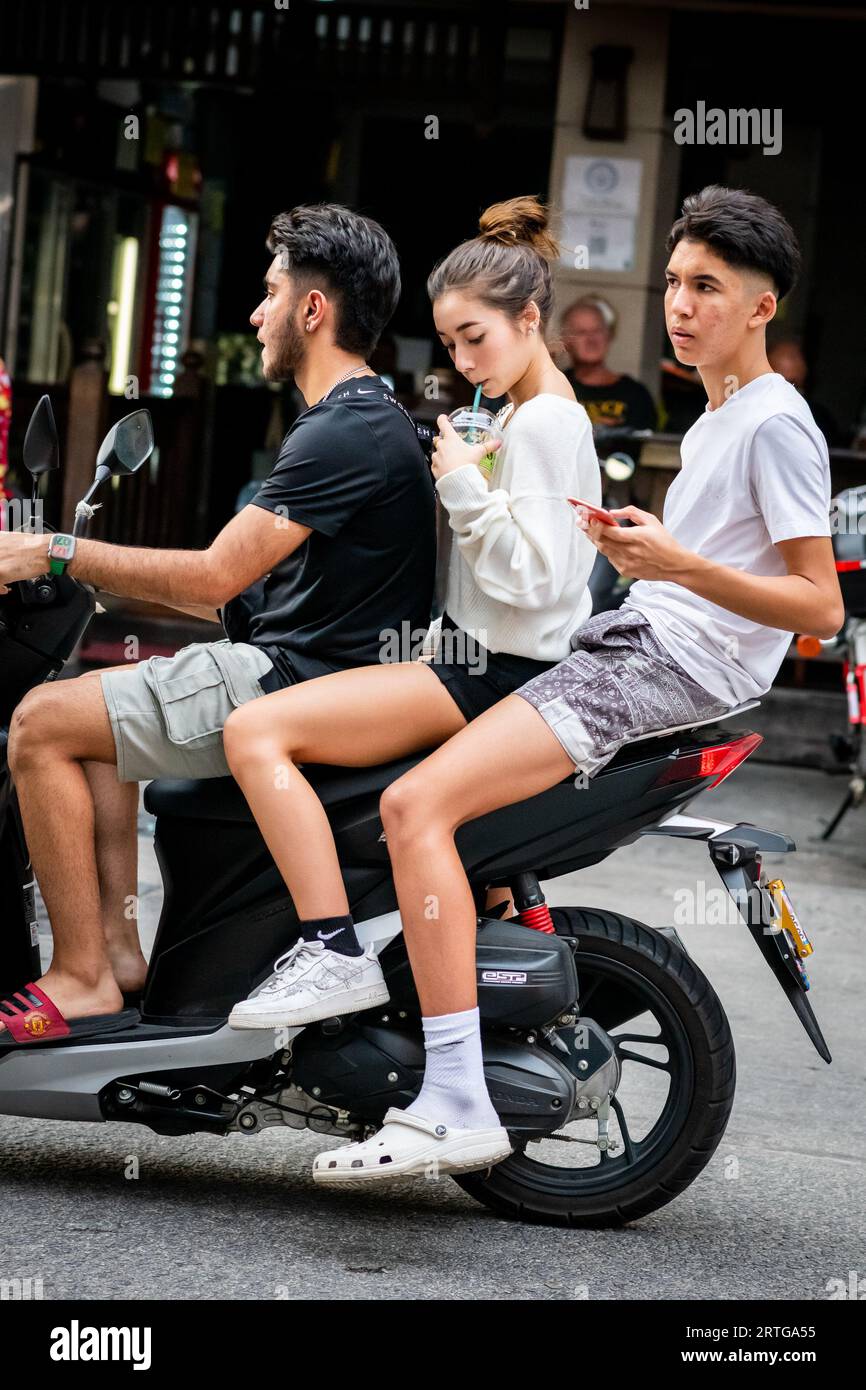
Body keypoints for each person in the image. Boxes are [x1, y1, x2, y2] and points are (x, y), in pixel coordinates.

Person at [311, 184, 845, 1184]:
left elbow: (815, 605)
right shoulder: (720, 415)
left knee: (412, 806)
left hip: (658, 667)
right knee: (433, 799)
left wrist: (673, 566)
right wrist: (643, 550)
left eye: (707, 289)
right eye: (675, 284)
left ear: (761, 308)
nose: (680, 306)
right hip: (634, 641)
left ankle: (456, 1100)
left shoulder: (776, 421)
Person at [0, 203, 437, 1044]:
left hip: (293, 682)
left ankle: (81, 974)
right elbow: (225, 592)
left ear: (314, 310)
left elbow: (213, 572)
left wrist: (52, 553)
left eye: (270, 293)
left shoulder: (342, 432)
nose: (256, 313)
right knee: (96, 717)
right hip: (302, 666)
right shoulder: (364, 421)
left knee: (39, 724)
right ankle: (118, 956)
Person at [221, 196, 600, 1033]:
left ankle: (331, 953)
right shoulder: (517, 414)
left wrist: (461, 480)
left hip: (486, 676)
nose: (464, 360)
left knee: (255, 733)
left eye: (479, 338)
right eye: (453, 342)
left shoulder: (544, 423)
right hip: (468, 662)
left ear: (530, 318)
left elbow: (533, 581)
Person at [560, 295, 657, 430]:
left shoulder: (635, 393)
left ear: (609, 335)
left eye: (597, 331)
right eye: (581, 332)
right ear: (565, 341)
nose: (591, 339)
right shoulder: (556, 388)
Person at [767, 337, 843, 447]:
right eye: (782, 383)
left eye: (794, 385)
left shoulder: (819, 418)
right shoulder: (750, 413)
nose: (789, 391)